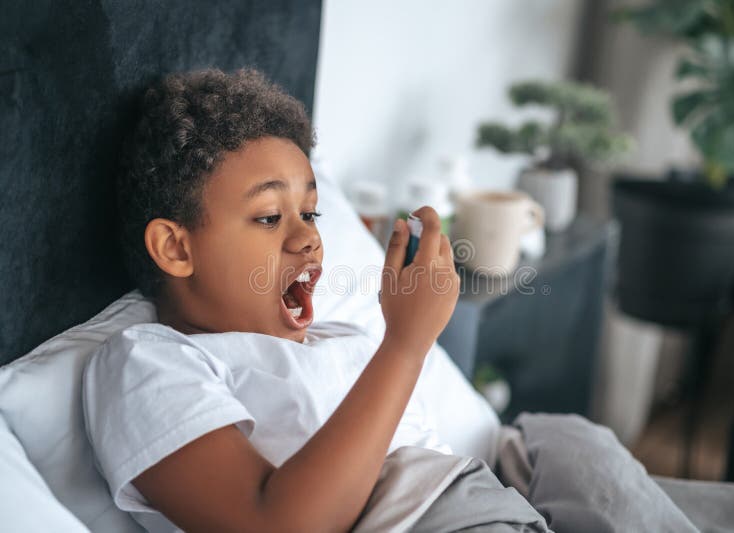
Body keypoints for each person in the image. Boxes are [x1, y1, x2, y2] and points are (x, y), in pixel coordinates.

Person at [82, 67, 482, 532]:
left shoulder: (348, 340)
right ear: (177, 248)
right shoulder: (148, 364)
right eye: (270, 217)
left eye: (310, 213)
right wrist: (406, 346)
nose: (308, 237)